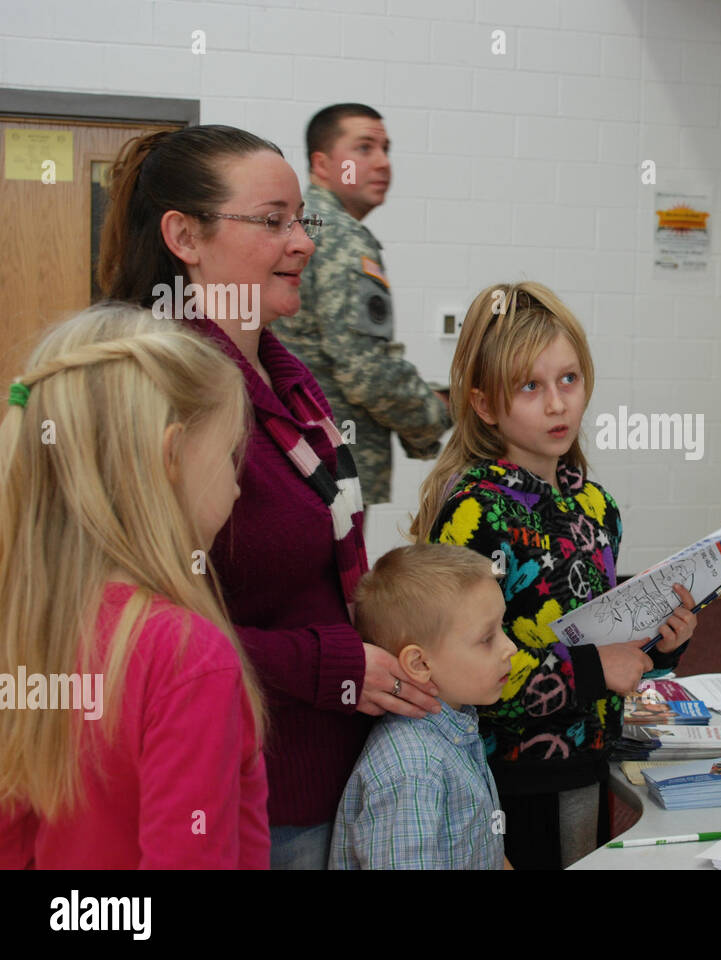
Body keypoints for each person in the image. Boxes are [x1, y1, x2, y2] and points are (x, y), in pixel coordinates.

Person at [95, 124, 440, 869]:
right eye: (272, 221)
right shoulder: (157, 398)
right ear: (185, 237)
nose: (304, 242)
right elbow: (127, 634)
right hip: (247, 786)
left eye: (301, 220)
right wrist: (328, 665)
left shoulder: (286, 376)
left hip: (325, 759)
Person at [410, 281, 700, 869]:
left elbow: (599, 633)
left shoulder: (595, 505)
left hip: (589, 757)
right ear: (485, 404)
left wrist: (659, 646)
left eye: (569, 379)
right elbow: (460, 668)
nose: (557, 404)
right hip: (510, 772)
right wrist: (597, 669)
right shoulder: (475, 512)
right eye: (530, 387)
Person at [0, 304, 268, 868]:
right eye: (229, 456)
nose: (238, 489)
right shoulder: (187, 657)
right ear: (170, 455)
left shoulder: (26, 630)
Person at [276, 103, 453, 508]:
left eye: (386, 149)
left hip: (296, 452)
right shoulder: (342, 237)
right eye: (364, 148)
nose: (383, 163)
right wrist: (438, 411)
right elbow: (366, 371)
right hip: (328, 465)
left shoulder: (302, 224)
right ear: (321, 164)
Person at [330, 543, 515, 870]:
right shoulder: (412, 768)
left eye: (502, 628)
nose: (510, 648)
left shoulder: (455, 729)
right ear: (419, 663)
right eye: (487, 638)